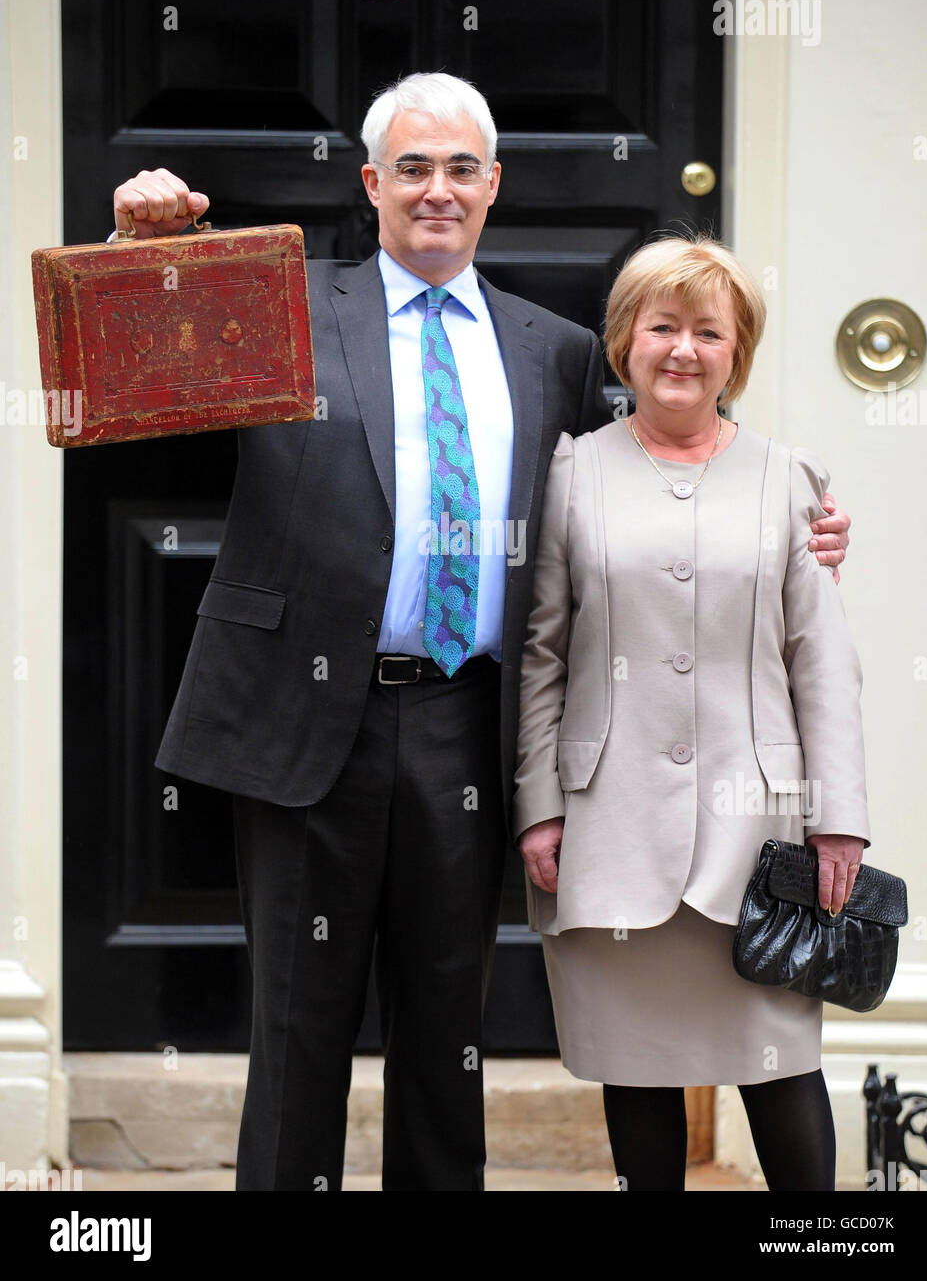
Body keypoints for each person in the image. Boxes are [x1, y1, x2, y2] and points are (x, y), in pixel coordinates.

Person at [109, 77, 851, 1192]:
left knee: (444, 1040)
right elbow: (130, 386)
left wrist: (800, 510)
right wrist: (139, 249)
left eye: (461, 168)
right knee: (296, 1036)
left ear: (493, 186)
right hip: (306, 722)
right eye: (411, 167)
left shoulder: (550, 349)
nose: (437, 189)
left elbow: (667, 440)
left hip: (467, 721)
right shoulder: (282, 307)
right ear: (371, 185)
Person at [513, 234, 869, 1192]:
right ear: (625, 341)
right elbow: (542, 651)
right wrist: (539, 804)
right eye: (662, 326)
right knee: (636, 1075)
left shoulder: (791, 479)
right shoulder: (569, 473)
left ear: (736, 352)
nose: (683, 350)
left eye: (708, 332)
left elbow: (822, 660)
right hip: (607, 825)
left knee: (783, 1071)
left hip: (758, 837)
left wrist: (838, 818)